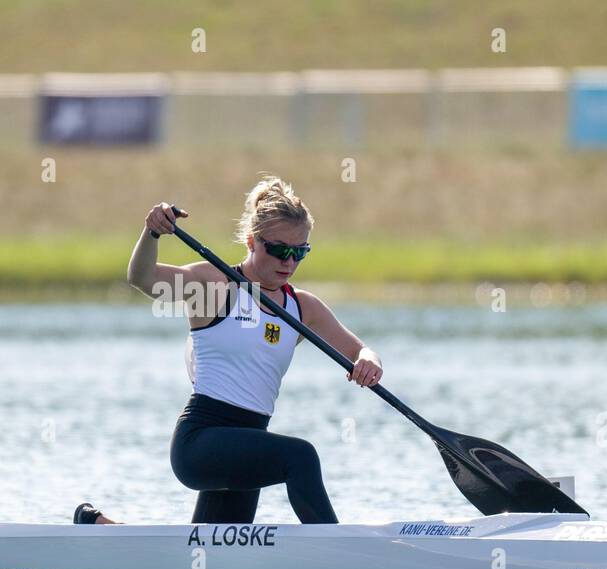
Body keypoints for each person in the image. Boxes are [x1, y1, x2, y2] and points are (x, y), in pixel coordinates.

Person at [75, 176, 382, 526]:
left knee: (214, 556)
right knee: (301, 458)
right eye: (279, 250)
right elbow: (142, 278)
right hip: (201, 444)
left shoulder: (302, 307)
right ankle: (335, 551)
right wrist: (153, 232)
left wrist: (369, 362)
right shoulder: (216, 285)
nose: (289, 261)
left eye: (300, 252)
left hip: (247, 445)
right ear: (252, 241)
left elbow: (361, 350)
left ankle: (101, 528)